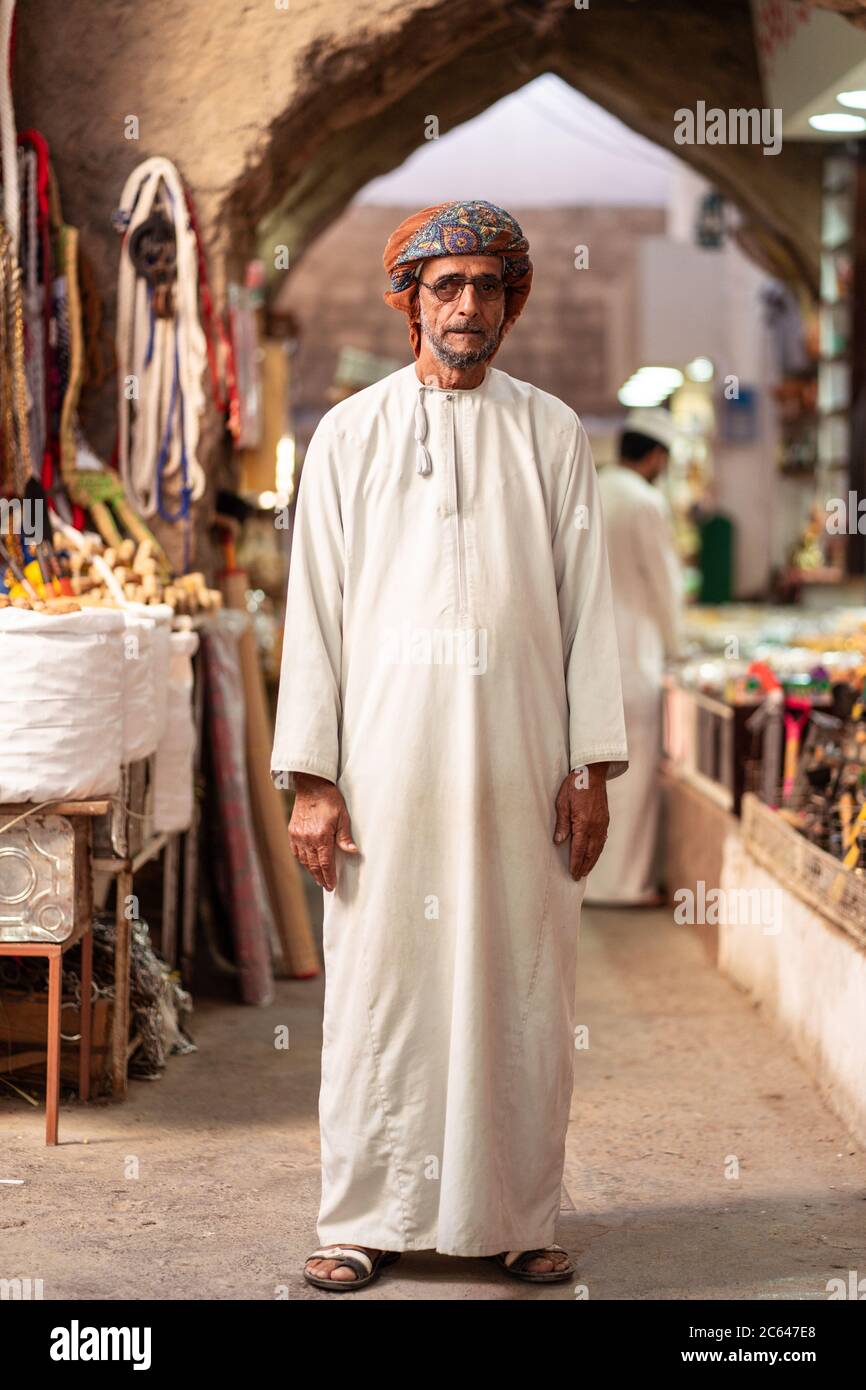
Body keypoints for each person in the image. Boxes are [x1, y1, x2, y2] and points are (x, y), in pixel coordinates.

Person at [271, 200, 628, 1291]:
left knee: (521, 988)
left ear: (511, 301)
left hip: (519, 767)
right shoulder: (348, 434)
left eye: (486, 285)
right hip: (383, 769)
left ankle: (515, 1213)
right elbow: (314, 614)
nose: (466, 304)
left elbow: (585, 611)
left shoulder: (552, 432)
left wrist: (588, 767)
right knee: (379, 987)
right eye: (445, 286)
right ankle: (362, 1218)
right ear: (409, 301)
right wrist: (315, 780)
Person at [584, 408, 682, 908]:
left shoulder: (594, 489)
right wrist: (681, 646)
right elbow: (664, 584)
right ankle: (628, 885)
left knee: (594, 767)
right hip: (636, 653)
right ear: (657, 457)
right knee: (637, 771)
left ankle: (592, 880)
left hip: (591, 654)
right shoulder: (645, 501)